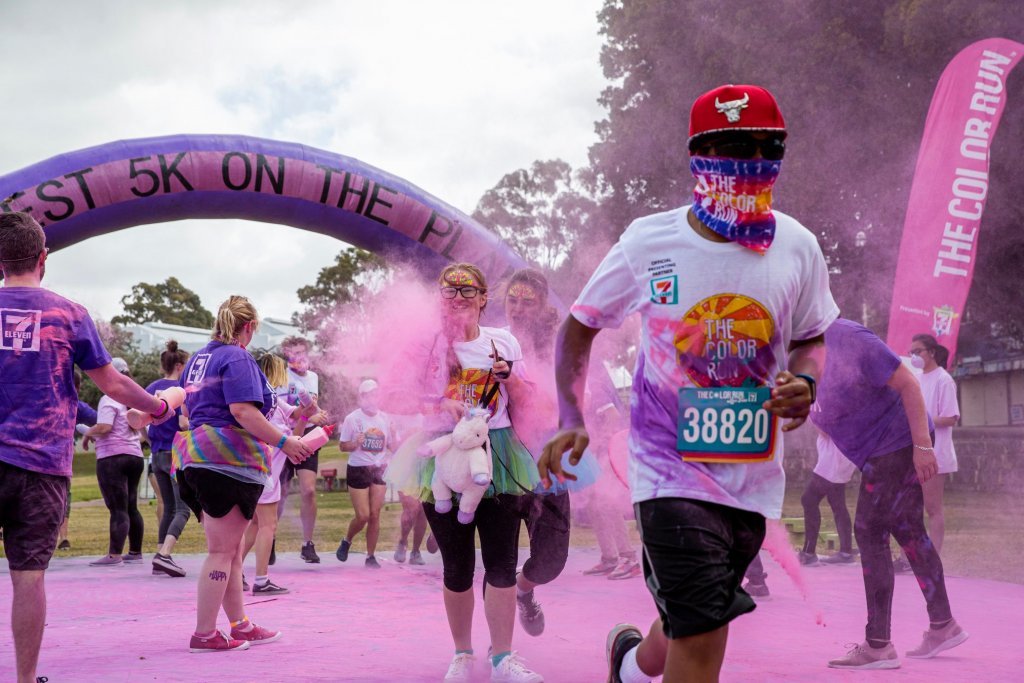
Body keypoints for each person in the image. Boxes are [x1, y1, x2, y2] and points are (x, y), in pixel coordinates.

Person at [538, 84, 839, 683]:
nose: (744, 163)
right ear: (696, 158)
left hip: (752, 479)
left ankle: (628, 663)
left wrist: (804, 381)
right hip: (667, 471)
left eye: (761, 147)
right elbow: (580, 326)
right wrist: (571, 416)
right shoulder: (650, 241)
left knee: (692, 622)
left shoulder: (799, 246)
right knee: (702, 642)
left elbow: (812, 335)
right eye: (725, 147)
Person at [0, 211, 170, 683]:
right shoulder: (68, 314)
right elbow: (112, 383)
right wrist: (156, 407)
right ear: (42, 258)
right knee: (28, 576)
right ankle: (25, 679)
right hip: (40, 465)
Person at [813, 319, 967, 669]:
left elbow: (910, 386)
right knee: (909, 529)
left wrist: (923, 447)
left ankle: (878, 644)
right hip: (880, 449)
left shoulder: (846, 336)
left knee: (869, 530)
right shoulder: (793, 355)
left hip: (895, 443)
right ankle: (943, 625)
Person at [418, 263, 544, 683]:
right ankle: (462, 654)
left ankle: (503, 658)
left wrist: (510, 380)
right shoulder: (430, 344)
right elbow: (401, 395)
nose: (457, 297)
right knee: (456, 564)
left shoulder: (502, 341)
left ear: (483, 297)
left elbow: (529, 401)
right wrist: (440, 404)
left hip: (500, 457)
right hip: (444, 457)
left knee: (503, 561)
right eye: (448, 290)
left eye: (466, 290)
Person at [172, 295, 312, 652]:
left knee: (231, 551)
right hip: (226, 463)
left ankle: (240, 624)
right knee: (222, 551)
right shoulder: (236, 356)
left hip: (197, 459)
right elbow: (243, 412)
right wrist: (285, 442)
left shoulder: (199, 360)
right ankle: (205, 632)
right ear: (248, 327)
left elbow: (188, 408)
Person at [501, 268, 600, 636]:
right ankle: (501, 650)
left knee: (551, 561)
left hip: (548, 459)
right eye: (512, 300)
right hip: (502, 460)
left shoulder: (559, 344)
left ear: (542, 306)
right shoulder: (492, 341)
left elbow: (577, 392)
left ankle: (523, 590)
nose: (518, 308)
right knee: (499, 560)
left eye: (528, 302)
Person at [241, 353, 313, 595]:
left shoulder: (270, 396)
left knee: (255, 524)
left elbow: (297, 416)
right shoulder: (264, 398)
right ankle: (261, 579)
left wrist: (305, 406)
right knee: (267, 525)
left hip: (265, 469)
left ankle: (234, 570)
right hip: (265, 469)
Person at [81, 358, 146, 567]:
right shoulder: (134, 401)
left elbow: (105, 427)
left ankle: (114, 555)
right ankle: (135, 551)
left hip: (112, 458)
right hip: (135, 456)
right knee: (132, 506)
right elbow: (144, 433)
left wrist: (87, 433)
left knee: (118, 508)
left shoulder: (109, 399)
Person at [277, 335, 328, 564]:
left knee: (309, 490)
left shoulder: (313, 377)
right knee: (280, 492)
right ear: (287, 355)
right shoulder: (280, 376)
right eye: (294, 353)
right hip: (284, 436)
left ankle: (307, 543)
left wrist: (318, 415)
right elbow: (282, 410)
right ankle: (269, 538)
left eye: (302, 353)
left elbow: (312, 407)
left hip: (308, 435)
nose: (299, 358)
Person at [336, 379, 396, 569]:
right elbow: (342, 446)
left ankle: (371, 556)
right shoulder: (352, 419)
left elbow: (391, 445)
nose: (373, 398)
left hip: (379, 467)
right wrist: (355, 443)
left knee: (375, 514)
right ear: (362, 397)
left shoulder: (385, 418)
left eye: (376, 394)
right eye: (369, 395)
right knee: (363, 516)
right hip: (358, 468)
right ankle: (347, 540)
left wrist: (401, 442)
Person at [909, 334, 959, 555]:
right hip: (915, 453)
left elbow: (950, 417)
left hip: (936, 454)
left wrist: (923, 420)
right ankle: (909, 555)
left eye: (918, 351)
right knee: (910, 508)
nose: (914, 356)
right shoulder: (915, 378)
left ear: (931, 352)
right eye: (912, 352)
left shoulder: (944, 379)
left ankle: (934, 558)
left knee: (933, 508)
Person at [148, 340, 192, 578]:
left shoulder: (152, 387)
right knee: (183, 509)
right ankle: (165, 553)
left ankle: (159, 555)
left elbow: (137, 418)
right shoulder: (182, 390)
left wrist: (150, 438)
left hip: (157, 454)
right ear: (179, 365)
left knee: (168, 507)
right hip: (177, 453)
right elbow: (184, 423)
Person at [799, 430, 856, 565]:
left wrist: (811, 416)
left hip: (833, 457)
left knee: (808, 499)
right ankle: (846, 553)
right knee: (837, 502)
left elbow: (824, 428)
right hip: (840, 454)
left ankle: (808, 553)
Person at [61, 369, 99, 551]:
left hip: (30, 455)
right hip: (62, 457)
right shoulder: (77, 405)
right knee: (64, 495)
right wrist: (90, 433)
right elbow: (99, 420)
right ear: (78, 386)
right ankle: (63, 538)